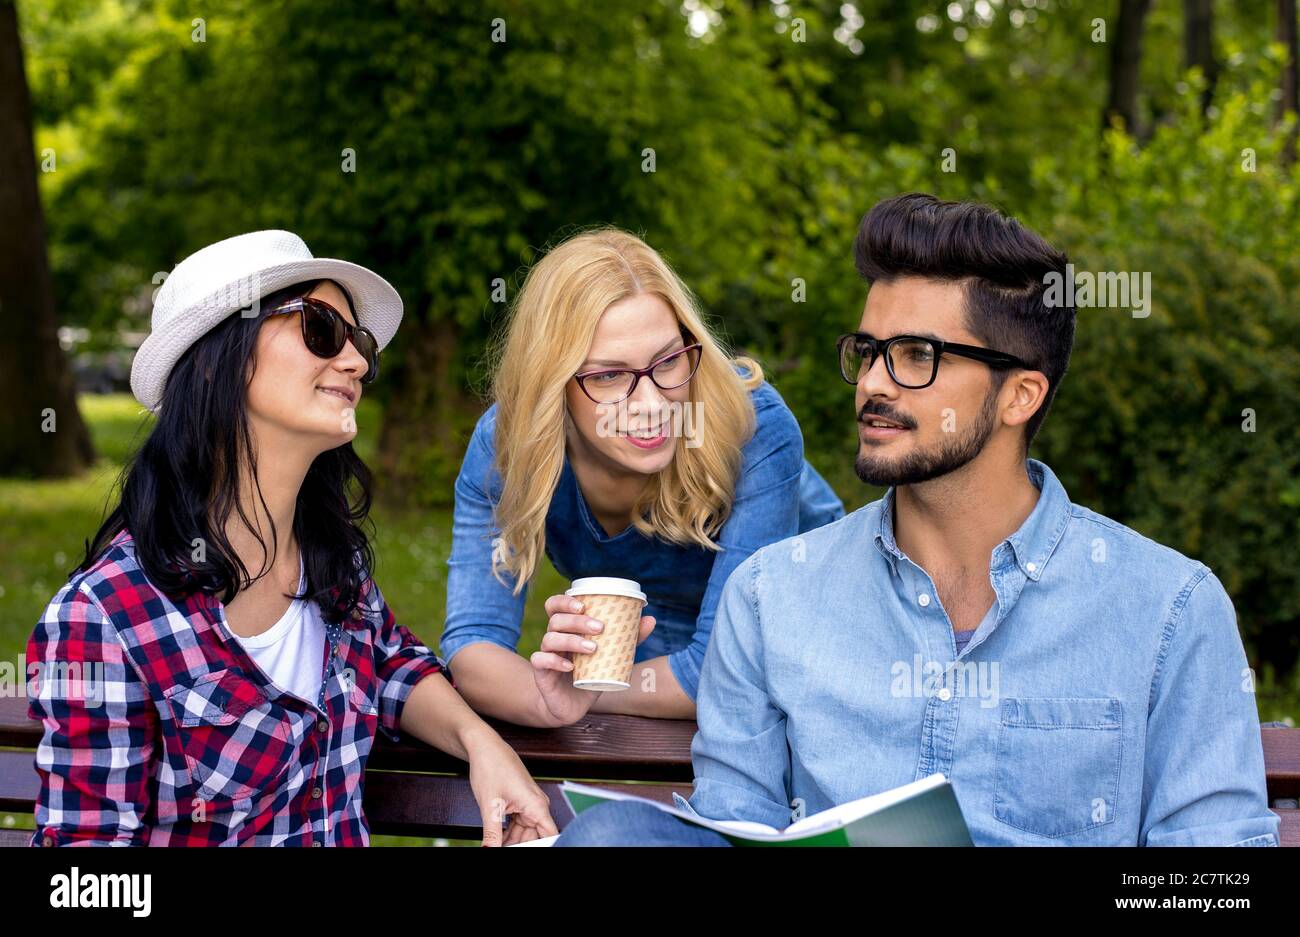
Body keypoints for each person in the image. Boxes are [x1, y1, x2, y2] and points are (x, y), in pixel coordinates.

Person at [556, 194, 1279, 846]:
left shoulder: (1168, 609)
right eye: (868, 352)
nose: (872, 381)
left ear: (1020, 395)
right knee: (612, 837)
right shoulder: (771, 596)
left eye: (915, 356)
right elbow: (735, 826)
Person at [26, 230, 555, 846]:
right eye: (321, 329)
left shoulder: (334, 562)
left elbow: (392, 667)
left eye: (358, 342)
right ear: (213, 359)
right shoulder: (106, 618)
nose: (357, 361)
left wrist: (481, 744)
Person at [440, 227, 844, 726]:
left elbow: (726, 673)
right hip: (649, 649)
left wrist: (590, 686)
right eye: (608, 376)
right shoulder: (509, 444)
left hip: (797, 642)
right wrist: (547, 698)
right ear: (551, 385)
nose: (652, 406)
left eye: (668, 361)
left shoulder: (754, 428)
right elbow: (472, 642)